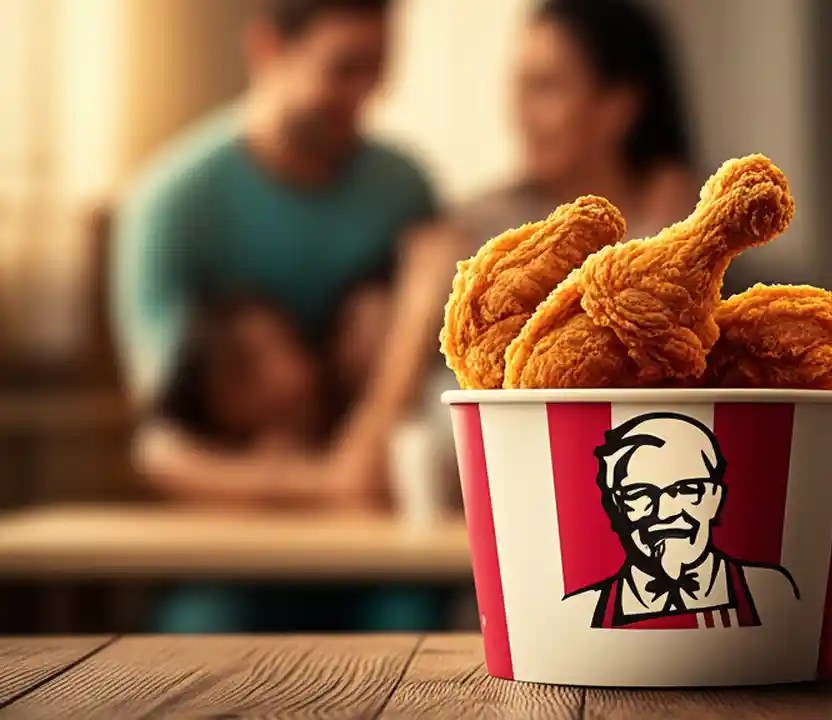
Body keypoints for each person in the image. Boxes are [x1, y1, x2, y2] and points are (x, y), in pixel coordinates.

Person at [114, 0, 458, 631]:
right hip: (233, 544)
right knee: (202, 638)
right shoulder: (170, 205)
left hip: (383, 533)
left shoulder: (404, 188)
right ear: (268, 49)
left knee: (415, 633)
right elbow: (165, 445)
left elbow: (435, 398)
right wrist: (327, 483)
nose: (363, 95)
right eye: (343, 68)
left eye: (378, 70)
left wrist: (406, 323)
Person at [456, 0, 698, 246]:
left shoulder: (698, 228)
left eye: (545, 87)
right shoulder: (478, 232)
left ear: (618, 106)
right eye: (521, 86)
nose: (522, 113)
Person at [564, 413, 799, 629]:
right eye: (639, 493)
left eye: (687, 489)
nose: (665, 513)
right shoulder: (581, 610)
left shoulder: (767, 591)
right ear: (616, 507)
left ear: (715, 498)